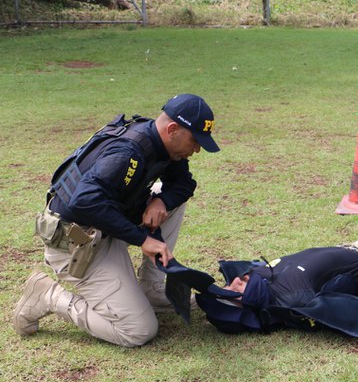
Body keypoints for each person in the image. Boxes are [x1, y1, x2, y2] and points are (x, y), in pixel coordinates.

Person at [12, 94, 220, 347]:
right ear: (173, 129)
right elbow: (84, 201)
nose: (197, 149)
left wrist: (161, 202)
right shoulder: (128, 152)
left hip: (105, 228)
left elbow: (184, 183)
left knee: (171, 201)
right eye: (195, 140)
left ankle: (152, 289)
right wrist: (143, 240)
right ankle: (48, 296)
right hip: (77, 245)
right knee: (138, 330)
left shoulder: (160, 143)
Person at [163, 239, 358, 338]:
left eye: (225, 284)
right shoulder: (293, 303)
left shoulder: (257, 276)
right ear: (247, 306)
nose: (233, 282)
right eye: (232, 293)